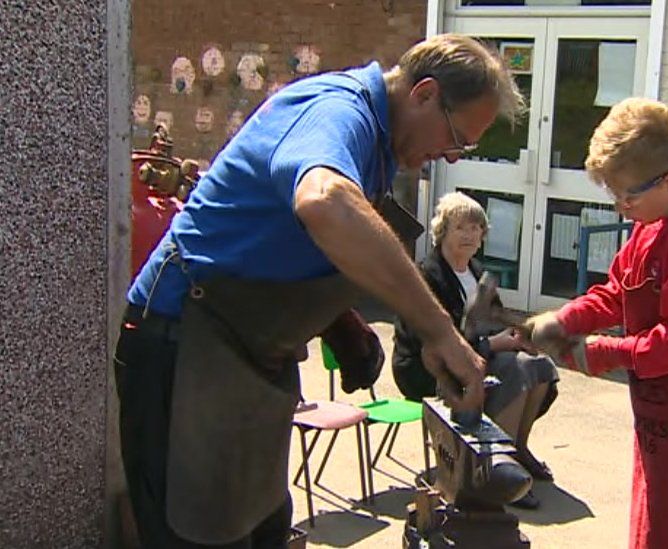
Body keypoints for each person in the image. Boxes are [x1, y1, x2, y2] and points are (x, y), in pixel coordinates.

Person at [114, 34, 524, 548]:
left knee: (260, 530)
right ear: (423, 93)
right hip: (180, 342)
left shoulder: (379, 147)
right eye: (457, 137)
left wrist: (340, 322)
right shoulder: (337, 111)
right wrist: (438, 331)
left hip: (252, 357)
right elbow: (325, 202)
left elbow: (297, 238)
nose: (454, 157)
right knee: (191, 537)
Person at [524, 98, 668, 548]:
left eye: (627, 195)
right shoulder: (654, 222)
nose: (620, 207)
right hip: (660, 419)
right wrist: (564, 318)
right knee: (651, 528)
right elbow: (619, 291)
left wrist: (600, 352)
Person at [392, 192, 559, 509]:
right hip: (428, 366)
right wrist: (494, 344)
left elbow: (494, 319)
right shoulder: (427, 275)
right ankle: (492, 467)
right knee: (515, 368)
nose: (470, 235)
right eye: (460, 228)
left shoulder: (476, 271)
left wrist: (519, 335)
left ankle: (517, 449)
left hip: (475, 357)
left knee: (539, 364)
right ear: (443, 232)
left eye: (476, 228)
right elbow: (434, 339)